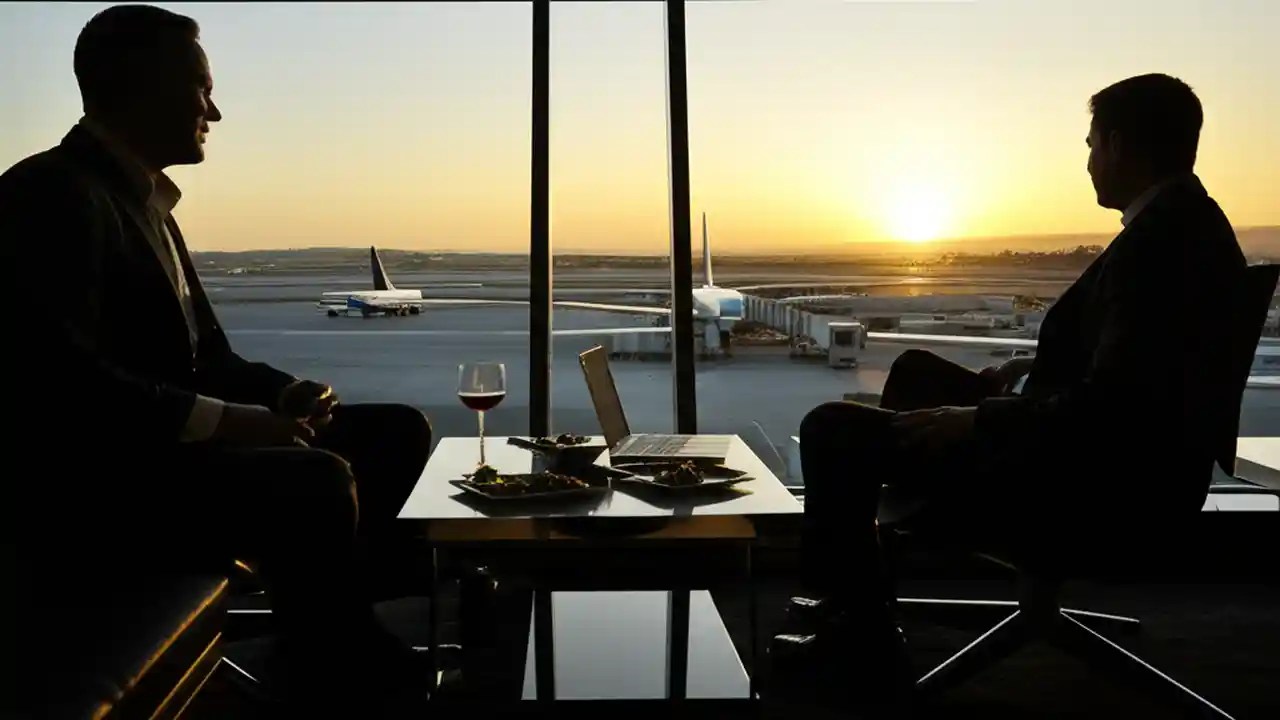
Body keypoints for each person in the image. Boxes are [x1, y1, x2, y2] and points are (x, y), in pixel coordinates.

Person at [0, 4, 437, 709]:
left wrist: (286, 393)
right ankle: (329, 659)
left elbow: (211, 356)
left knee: (396, 431)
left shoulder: (142, 203)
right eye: (202, 88)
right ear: (141, 85)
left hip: (161, 456)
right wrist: (228, 422)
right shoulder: (49, 195)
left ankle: (327, 620)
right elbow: (56, 381)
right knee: (316, 481)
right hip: (96, 485)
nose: (217, 110)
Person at [769, 73, 1247, 709]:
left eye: (1091, 145)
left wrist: (977, 420)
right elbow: (1136, 371)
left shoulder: (1154, 248)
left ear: (1119, 144)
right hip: (1124, 463)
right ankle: (862, 599)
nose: (1087, 163)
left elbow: (1115, 407)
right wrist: (1024, 371)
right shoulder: (1190, 223)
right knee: (914, 369)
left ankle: (858, 631)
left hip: (1098, 489)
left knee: (834, 428)